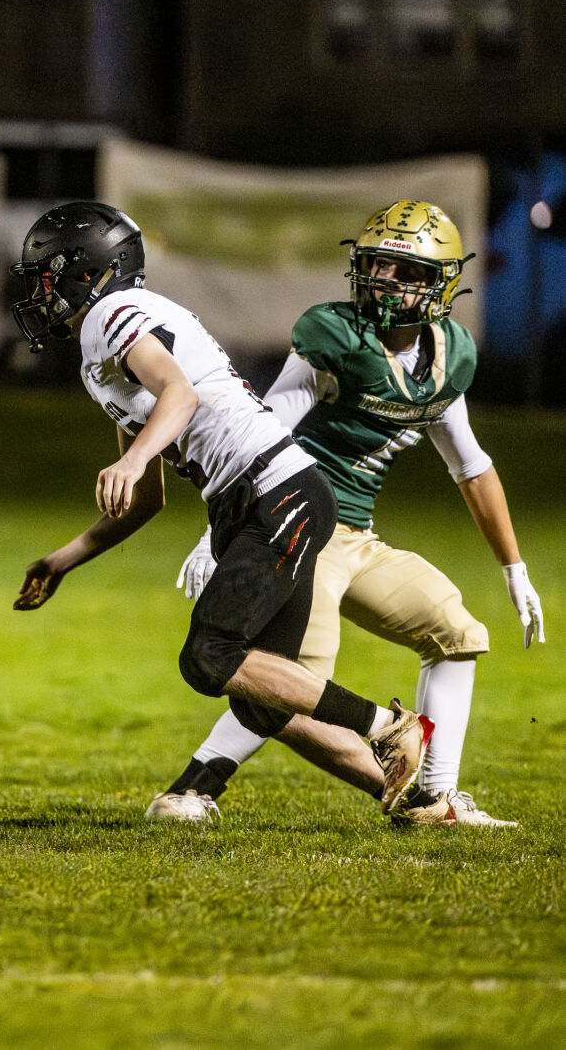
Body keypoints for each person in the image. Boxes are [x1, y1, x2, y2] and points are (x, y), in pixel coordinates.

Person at [9, 201, 434, 818]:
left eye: (46, 276)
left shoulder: (109, 313)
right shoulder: (106, 344)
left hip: (272, 490)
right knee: (264, 701)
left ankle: (391, 726)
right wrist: (63, 559)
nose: (39, 292)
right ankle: (411, 798)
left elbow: (177, 396)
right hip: (261, 497)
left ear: (86, 274)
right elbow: (148, 499)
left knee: (211, 655)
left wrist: (128, 461)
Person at [151, 199, 544, 827]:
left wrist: (513, 567)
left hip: (356, 534)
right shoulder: (336, 337)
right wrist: (219, 527)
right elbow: (264, 428)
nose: (384, 280)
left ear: (438, 283)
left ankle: (435, 800)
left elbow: (470, 464)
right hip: (300, 525)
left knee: (457, 630)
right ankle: (193, 787)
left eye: (401, 270)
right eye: (376, 266)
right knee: (294, 678)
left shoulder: (448, 356)